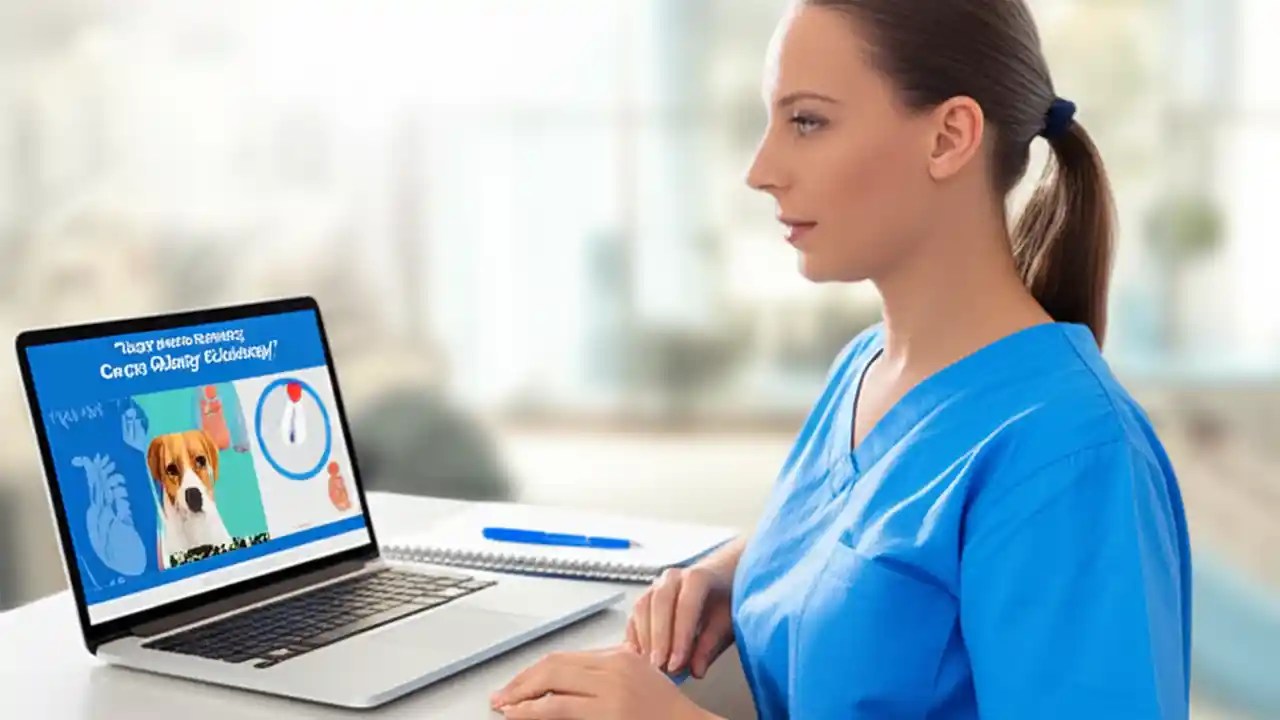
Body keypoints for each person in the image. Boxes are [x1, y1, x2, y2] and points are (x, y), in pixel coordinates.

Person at [490, 0, 1192, 717]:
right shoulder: (864, 371)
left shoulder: (1071, 456)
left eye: (807, 122)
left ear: (950, 137)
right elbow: (888, 555)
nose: (760, 170)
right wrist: (741, 577)